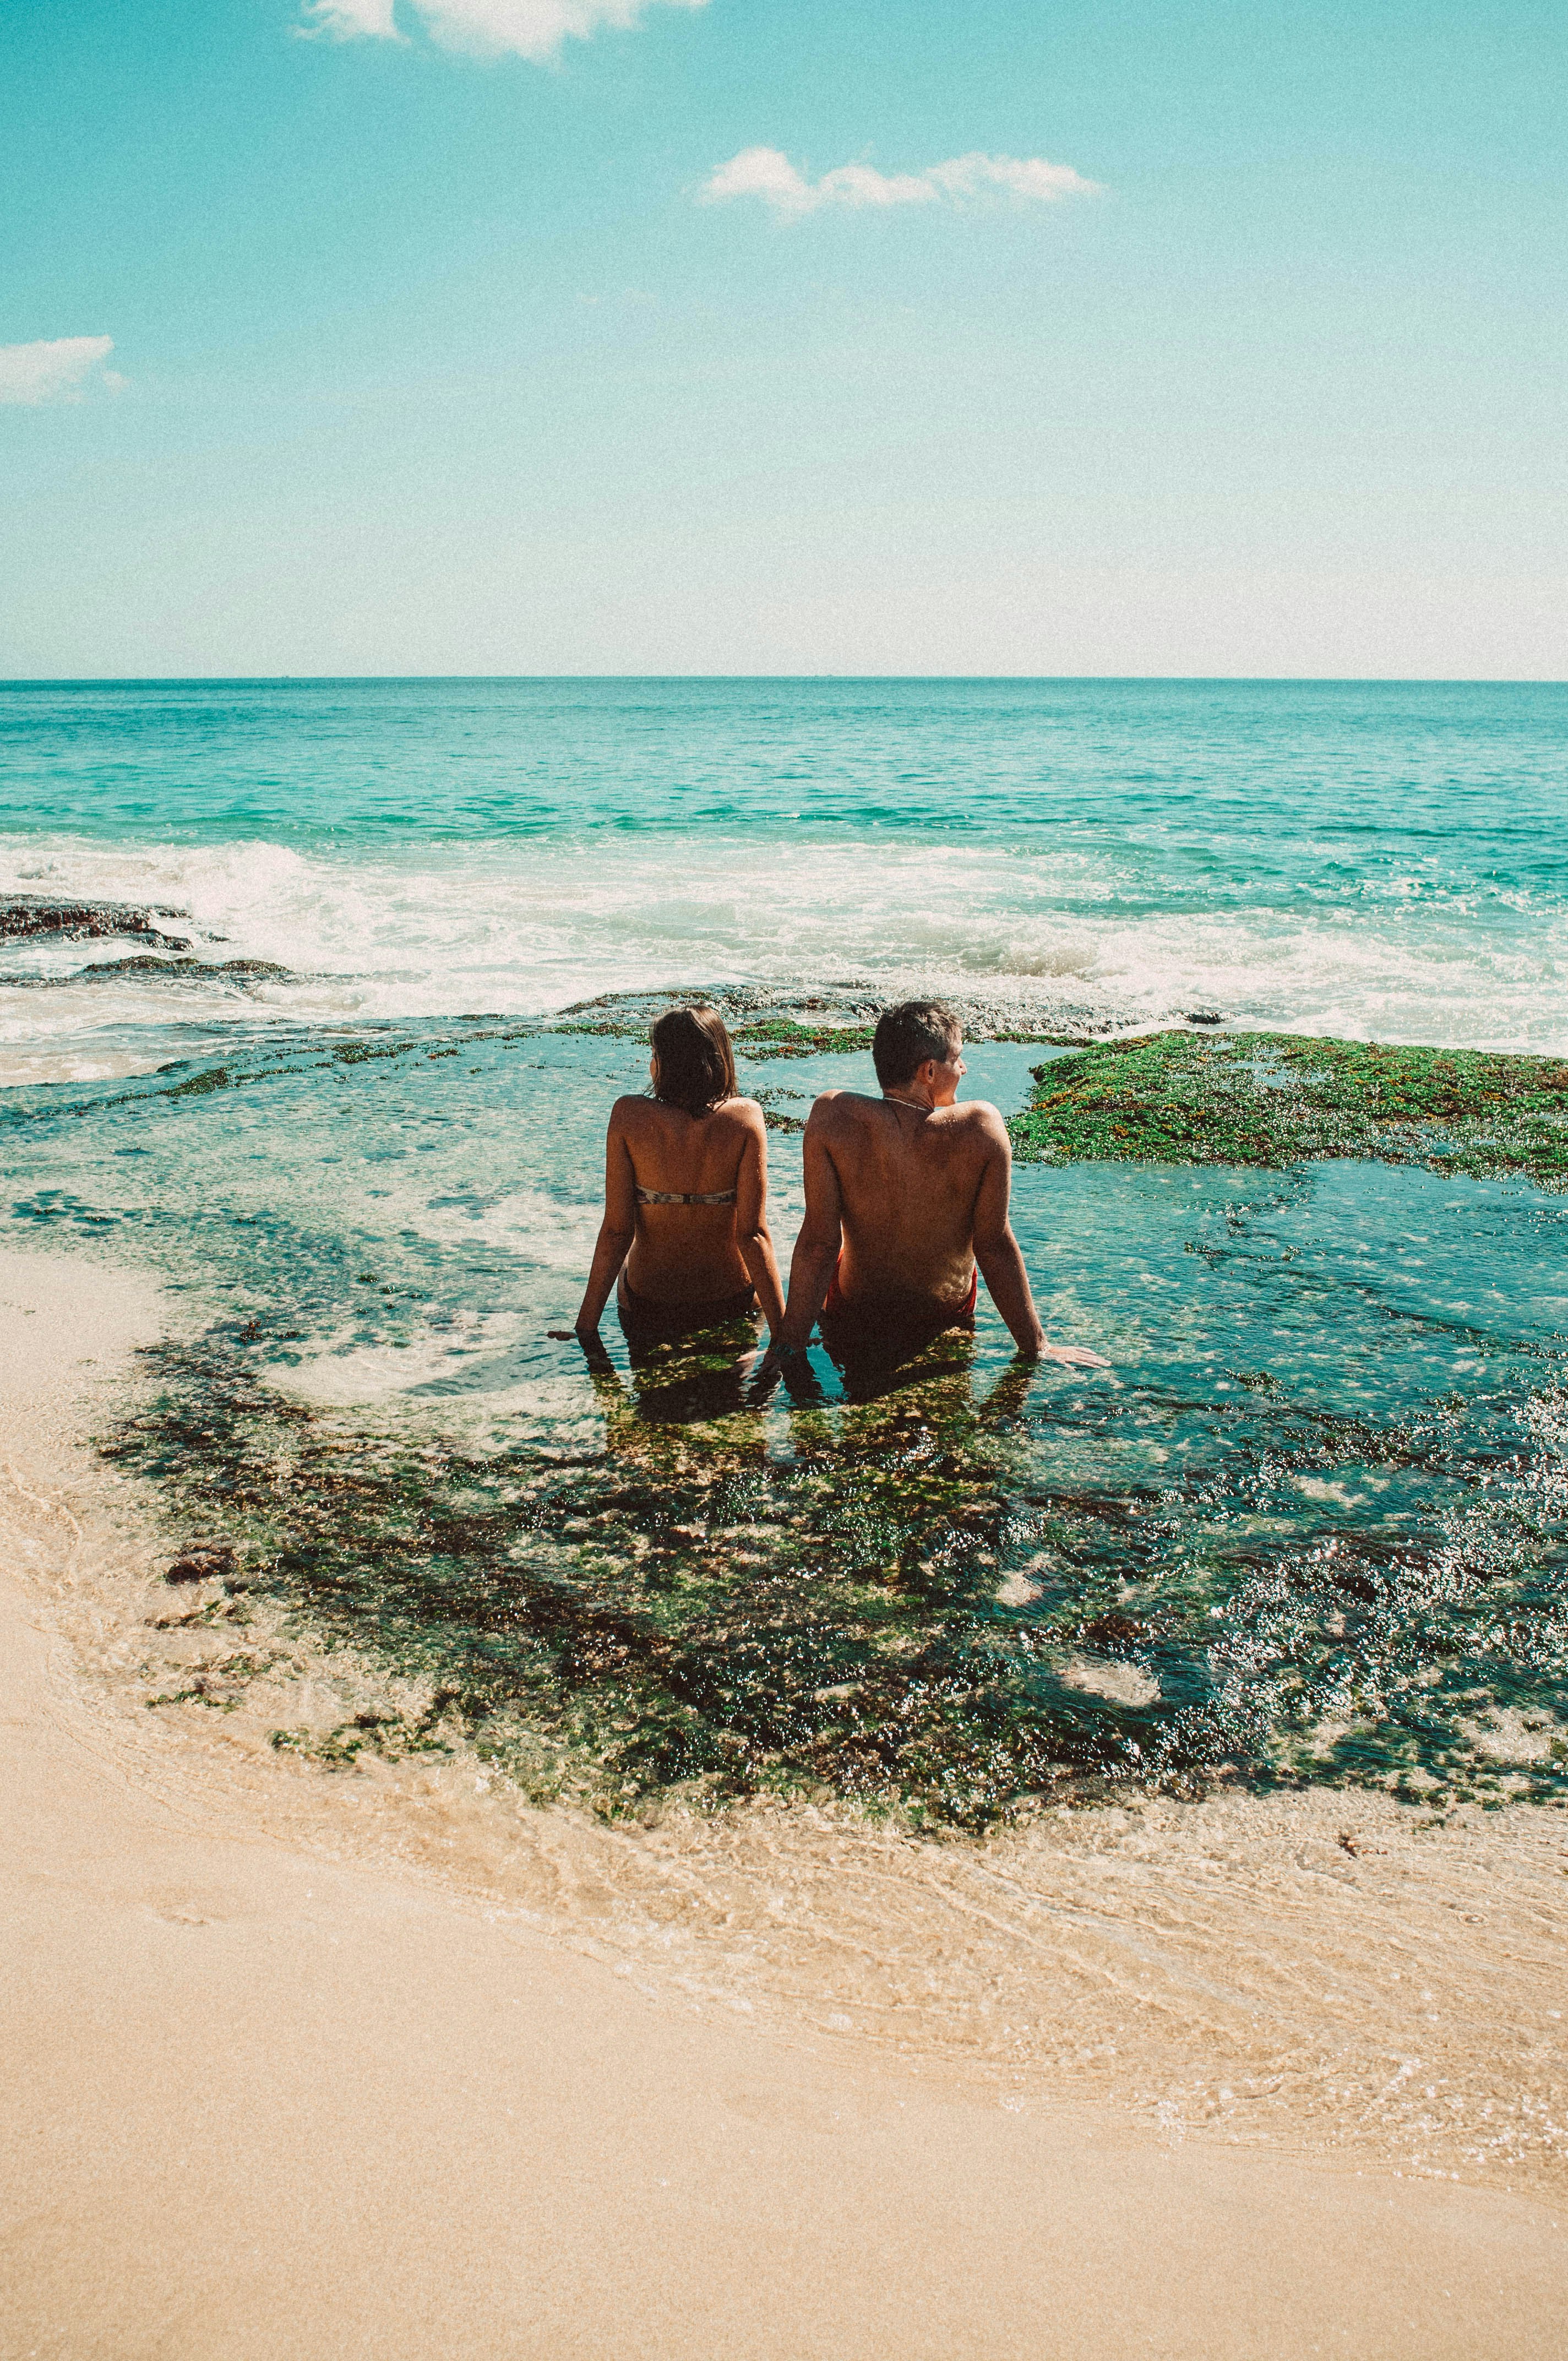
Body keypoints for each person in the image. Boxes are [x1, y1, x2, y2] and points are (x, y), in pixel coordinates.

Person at [769, 998, 1108, 1372]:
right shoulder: (981, 1126)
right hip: (945, 1311)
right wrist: (1037, 1347)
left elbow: (820, 1242)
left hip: (857, 1306)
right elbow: (993, 1244)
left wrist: (787, 1347)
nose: (964, 1068)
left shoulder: (833, 1115)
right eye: (957, 1058)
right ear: (929, 1071)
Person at [568, 1006, 786, 1347]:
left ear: (667, 1062)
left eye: (654, 1054)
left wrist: (586, 1329)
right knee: (738, 1397)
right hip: (732, 1300)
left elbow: (616, 1231)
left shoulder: (629, 1115)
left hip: (649, 1301)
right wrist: (786, 1334)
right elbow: (754, 1235)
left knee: (650, 1399)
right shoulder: (745, 1118)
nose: (650, 1064)